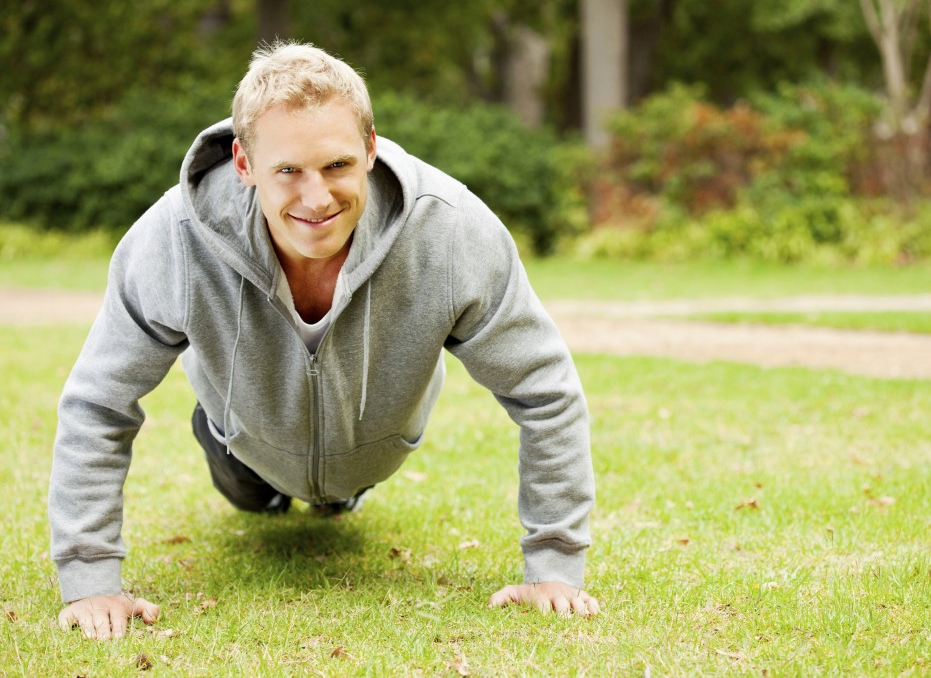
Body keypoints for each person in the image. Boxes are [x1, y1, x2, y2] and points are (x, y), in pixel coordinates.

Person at [49, 41, 598, 641]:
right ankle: (244, 459)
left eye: (337, 165)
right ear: (243, 163)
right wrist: (91, 578)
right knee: (251, 495)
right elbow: (98, 402)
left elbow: (546, 393)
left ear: (369, 149)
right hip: (244, 442)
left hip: (375, 443)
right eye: (287, 170)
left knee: (343, 497)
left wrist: (555, 567)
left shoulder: (452, 232)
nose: (317, 198)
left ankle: (339, 495)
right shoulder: (173, 239)